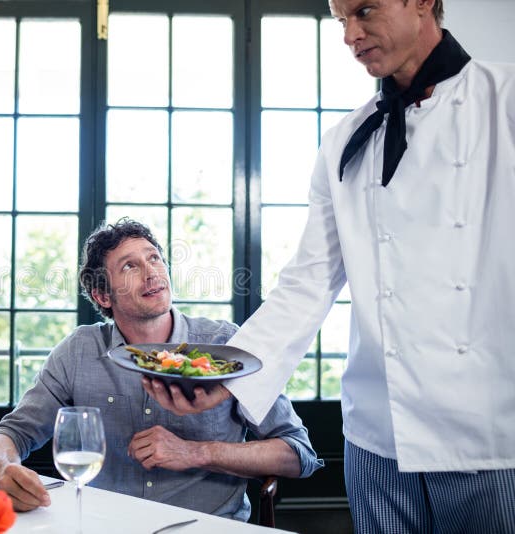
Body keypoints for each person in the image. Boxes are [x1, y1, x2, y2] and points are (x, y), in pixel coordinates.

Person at [145, 1, 515, 532]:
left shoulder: (505, 100)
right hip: (377, 438)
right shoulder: (345, 139)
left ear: (423, 2)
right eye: (341, 19)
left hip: (491, 438)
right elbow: (308, 281)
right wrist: (227, 376)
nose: (350, 35)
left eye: (364, 11)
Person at [0, 219, 322, 521]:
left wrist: (194, 452)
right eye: (130, 266)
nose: (152, 272)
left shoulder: (226, 346)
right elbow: (6, 435)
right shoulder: (78, 351)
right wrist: (2, 471)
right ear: (102, 295)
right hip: (106, 526)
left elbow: (298, 454)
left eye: (154, 258)